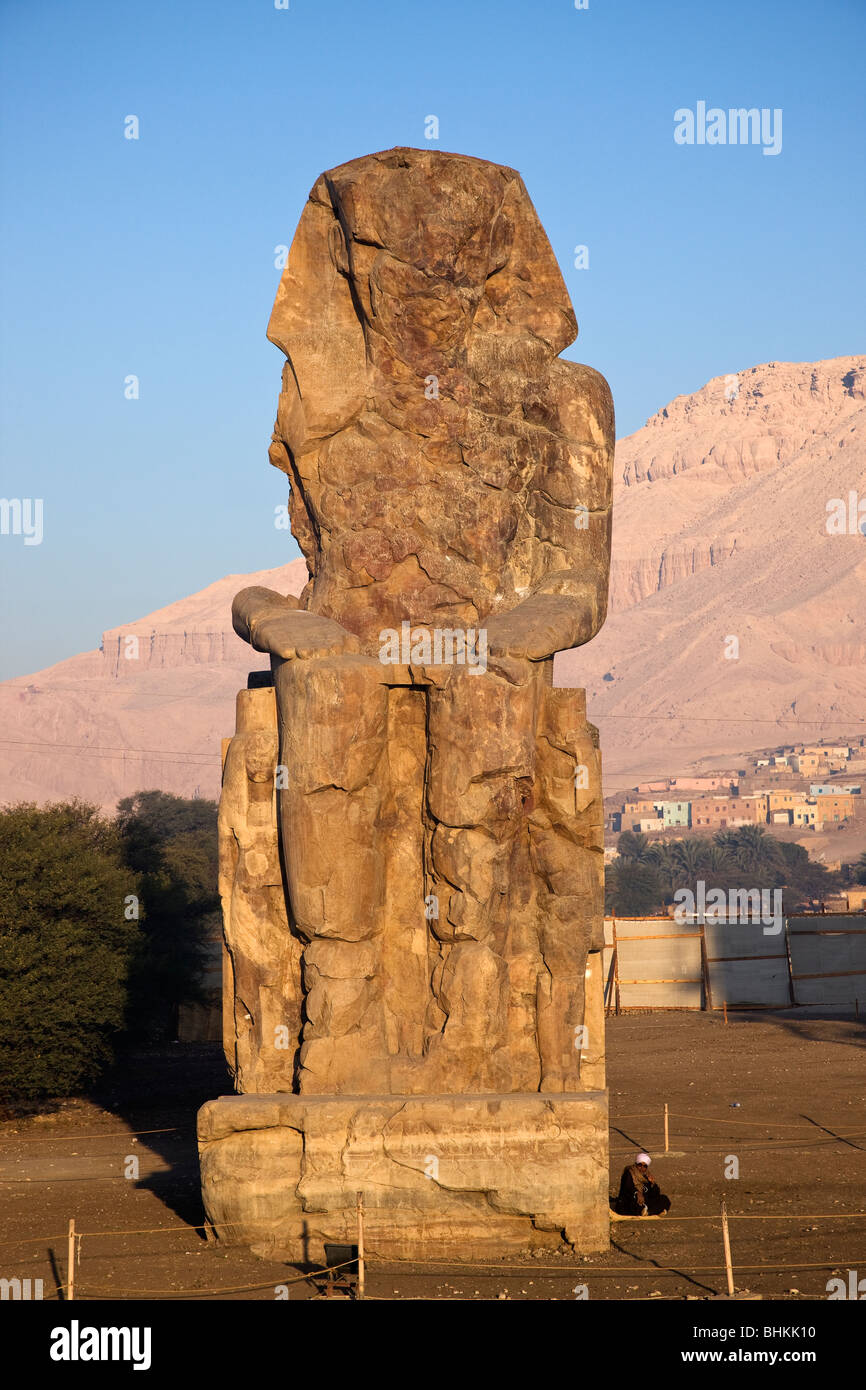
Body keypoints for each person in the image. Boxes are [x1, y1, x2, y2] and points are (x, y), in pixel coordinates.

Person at [614, 1152, 671, 1216]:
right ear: (636, 1164)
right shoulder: (629, 1172)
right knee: (636, 1200)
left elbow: (654, 1194)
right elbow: (628, 1187)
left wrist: (653, 1183)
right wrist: (637, 1193)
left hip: (644, 1202)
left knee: (664, 1198)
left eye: (644, 1166)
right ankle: (651, 1211)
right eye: (639, 1165)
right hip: (629, 1201)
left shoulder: (647, 1176)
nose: (642, 1168)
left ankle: (648, 1212)